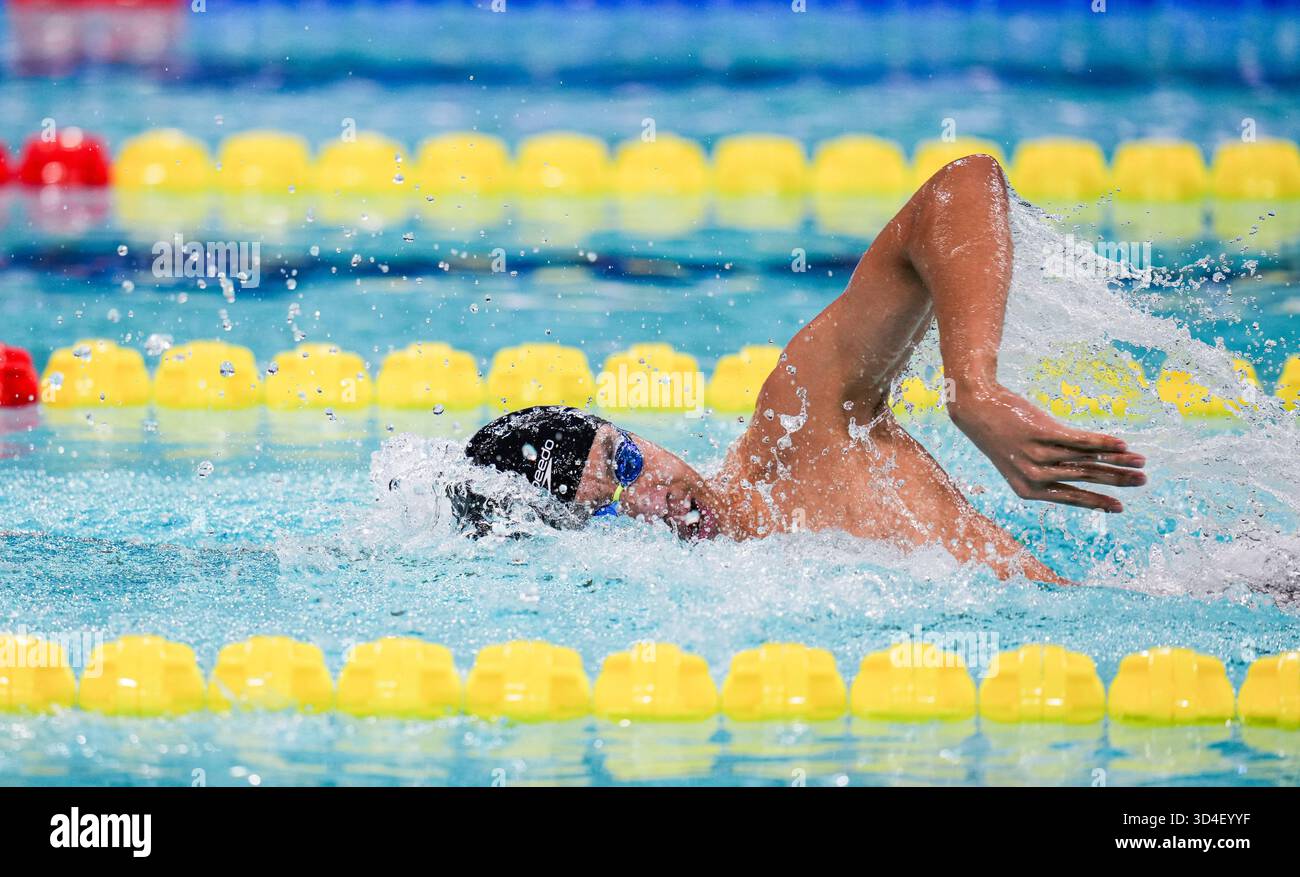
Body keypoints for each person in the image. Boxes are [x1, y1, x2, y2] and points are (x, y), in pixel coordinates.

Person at [454, 155, 1147, 583]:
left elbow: (961, 186)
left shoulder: (798, 432)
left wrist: (974, 387)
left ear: (635, 433)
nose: (649, 503)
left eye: (627, 463)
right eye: (604, 515)